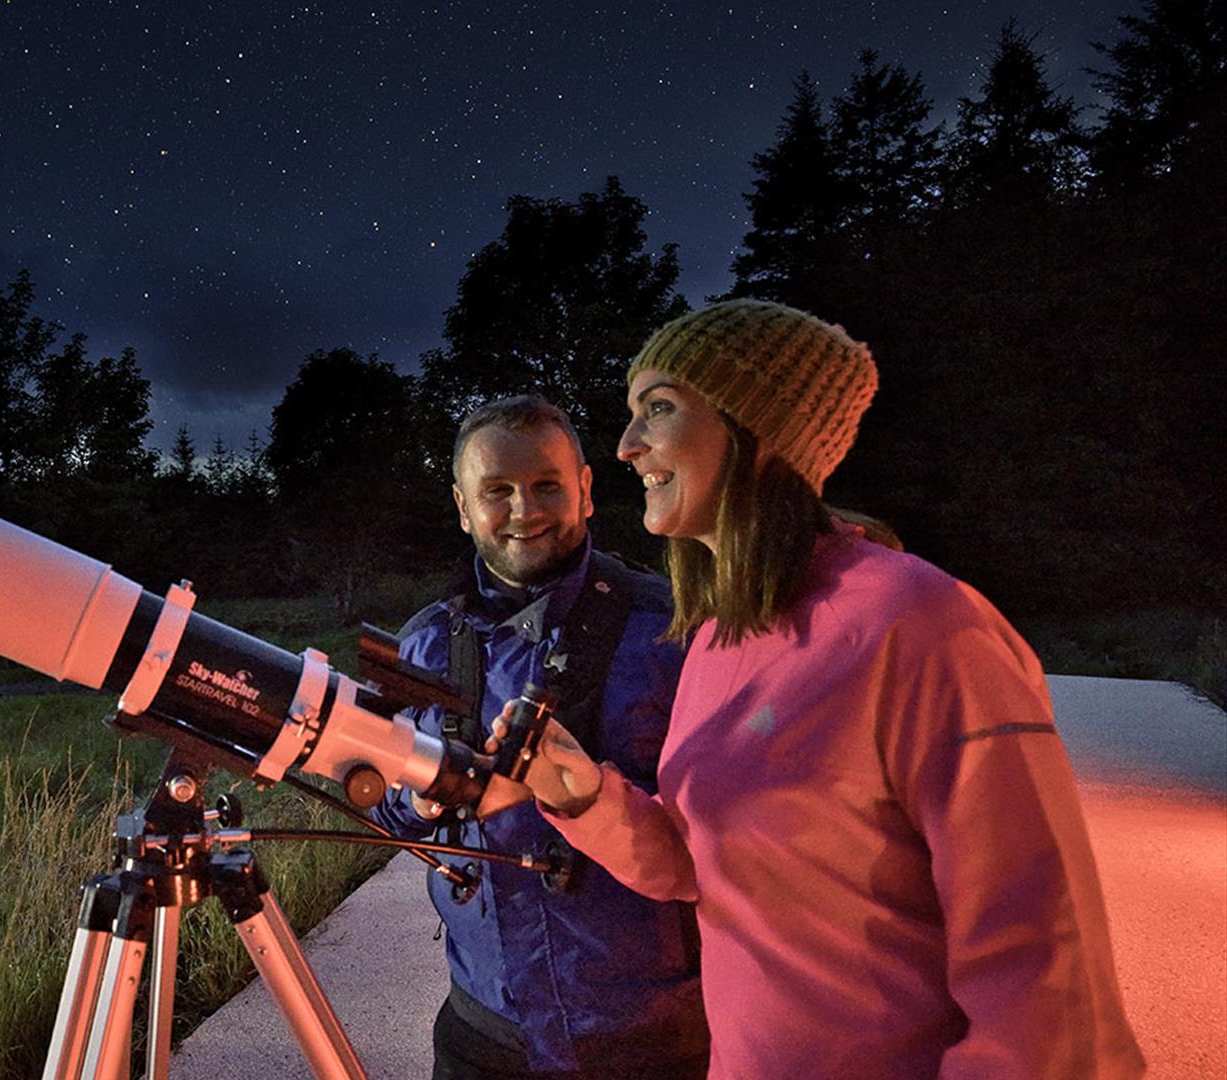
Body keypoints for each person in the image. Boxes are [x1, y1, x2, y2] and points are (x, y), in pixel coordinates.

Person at [502, 300, 1145, 1078]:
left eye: (660, 409)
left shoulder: (919, 625)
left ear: (757, 430)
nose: (629, 445)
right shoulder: (718, 632)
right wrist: (586, 798)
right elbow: (711, 866)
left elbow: (1048, 970)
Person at [367, 394, 708, 1079]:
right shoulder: (422, 647)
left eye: (546, 485)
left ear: (584, 491)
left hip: (655, 1037)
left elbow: (735, 834)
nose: (524, 511)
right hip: (484, 1034)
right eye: (497, 491)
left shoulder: (677, 632)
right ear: (464, 508)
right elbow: (376, 802)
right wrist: (421, 800)